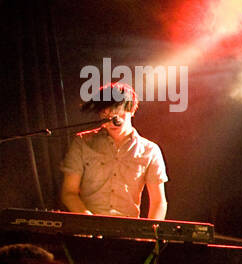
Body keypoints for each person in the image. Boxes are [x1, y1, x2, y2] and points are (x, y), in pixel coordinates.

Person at [60, 82, 168, 219]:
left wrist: (149, 236)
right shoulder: (83, 142)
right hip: (87, 230)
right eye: (106, 116)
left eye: (118, 115)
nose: (112, 121)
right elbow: (69, 192)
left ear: (132, 110)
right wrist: (88, 219)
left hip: (128, 232)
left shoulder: (150, 151)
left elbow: (158, 201)